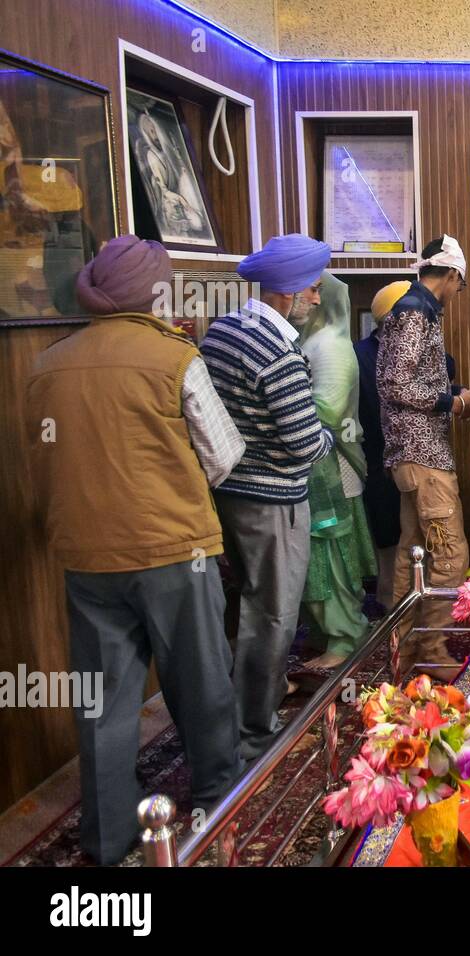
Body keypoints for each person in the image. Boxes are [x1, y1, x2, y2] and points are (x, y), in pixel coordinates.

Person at [26, 235, 243, 863]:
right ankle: (216, 805)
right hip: (176, 551)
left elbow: (43, 467)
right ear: (155, 292)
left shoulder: (47, 364)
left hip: (87, 557)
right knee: (201, 687)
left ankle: (108, 835)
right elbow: (224, 457)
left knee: (103, 704)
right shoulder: (174, 358)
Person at [200, 233, 336, 761]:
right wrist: (327, 435)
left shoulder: (226, 329)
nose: (318, 300)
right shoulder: (279, 351)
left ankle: (236, 714)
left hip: (229, 493)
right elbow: (307, 445)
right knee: (274, 614)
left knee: (244, 608)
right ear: (289, 293)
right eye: (314, 290)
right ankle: (255, 731)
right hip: (273, 501)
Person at [377, 235, 470, 673]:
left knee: (414, 552)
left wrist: (456, 395)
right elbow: (394, 384)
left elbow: (406, 379)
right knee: (451, 554)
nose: (458, 294)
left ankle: (403, 647)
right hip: (423, 456)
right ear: (453, 275)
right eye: (460, 286)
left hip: (415, 453)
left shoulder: (418, 310)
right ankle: (432, 651)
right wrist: (452, 403)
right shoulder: (414, 313)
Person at [297, 273, 378, 669]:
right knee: (321, 555)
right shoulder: (315, 340)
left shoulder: (330, 345)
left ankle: (344, 636)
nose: (309, 300)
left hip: (331, 469)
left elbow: (324, 410)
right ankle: (331, 631)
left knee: (331, 555)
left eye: (314, 292)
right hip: (318, 466)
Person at [354, 281, 408, 604]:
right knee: (388, 547)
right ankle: (392, 615)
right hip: (379, 465)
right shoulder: (359, 356)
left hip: (420, 464)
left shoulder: (421, 350)